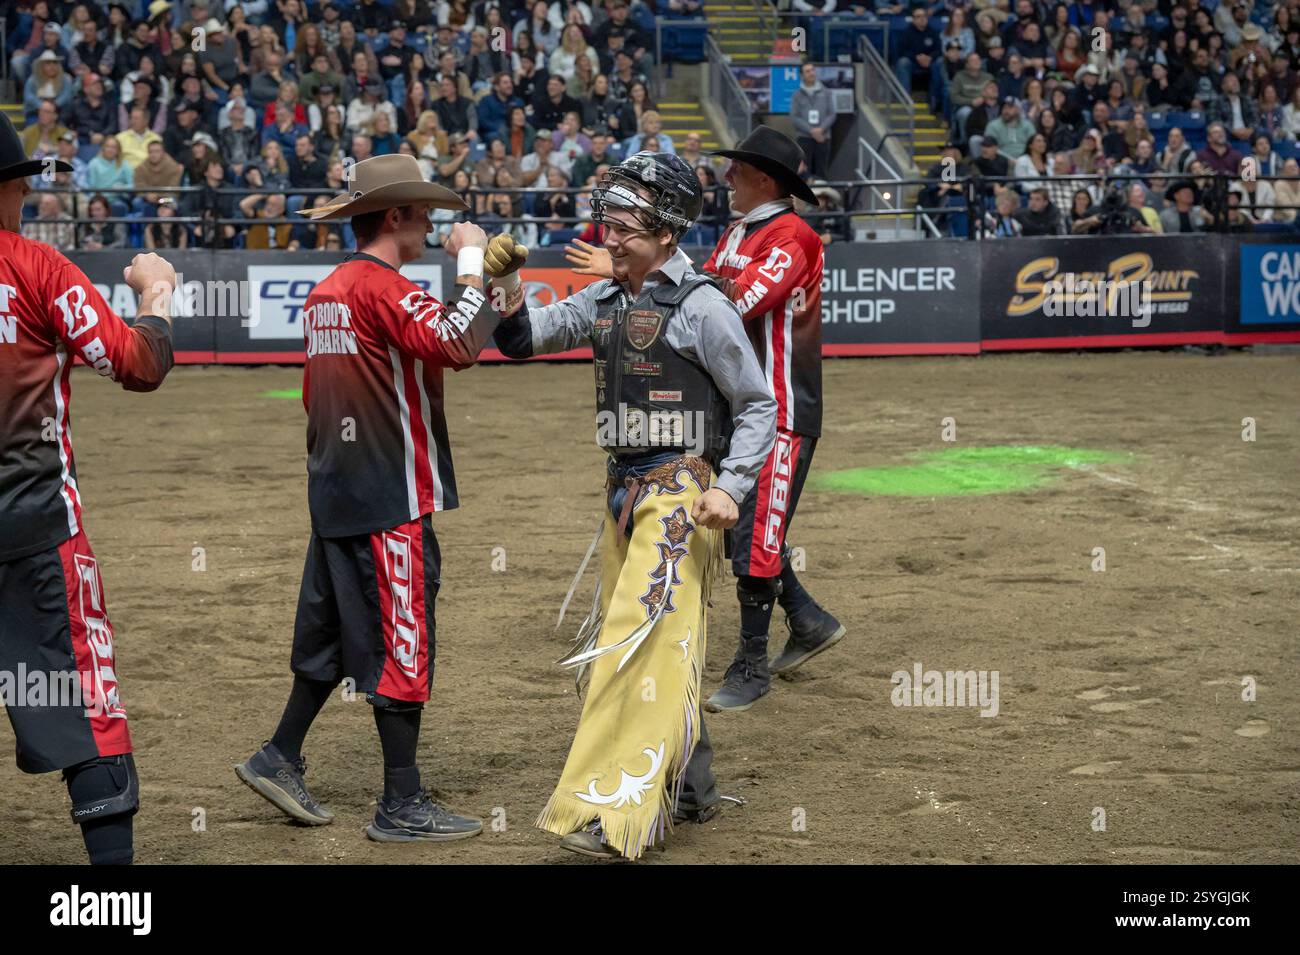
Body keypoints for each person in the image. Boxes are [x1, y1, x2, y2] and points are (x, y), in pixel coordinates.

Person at [489, 152, 777, 859]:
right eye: (608, 224)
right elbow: (522, 339)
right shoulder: (604, 301)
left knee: (636, 651)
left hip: (680, 499)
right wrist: (503, 283)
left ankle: (614, 814)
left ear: (668, 235)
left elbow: (758, 404)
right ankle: (690, 786)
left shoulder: (704, 306)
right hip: (624, 496)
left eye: (625, 229)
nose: (609, 239)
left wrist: (729, 486)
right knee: (653, 645)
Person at [234, 154, 503, 844]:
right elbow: (453, 345)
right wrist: (471, 266)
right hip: (389, 493)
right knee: (403, 641)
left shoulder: (329, 290)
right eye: (423, 212)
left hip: (336, 491)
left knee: (328, 635)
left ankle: (279, 753)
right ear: (396, 216)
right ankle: (401, 800)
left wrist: (484, 284)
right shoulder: (383, 287)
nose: (433, 223)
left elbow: (317, 395)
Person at [567, 126, 845, 712]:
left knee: (753, 530)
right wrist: (634, 268)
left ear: (764, 179)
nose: (726, 180)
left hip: (779, 404)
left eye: (737, 171)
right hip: (738, 401)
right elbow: (700, 286)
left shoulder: (792, 236)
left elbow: (734, 300)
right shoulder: (745, 231)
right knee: (746, 523)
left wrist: (624, 270)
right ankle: (808, 620)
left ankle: (751, 664)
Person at [0, 111, 175, 866]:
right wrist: (158, 293)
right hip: (38, 529)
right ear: (9, 189)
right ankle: (110, 898)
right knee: (89, 708)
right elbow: (137, 364)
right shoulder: (38, 269)